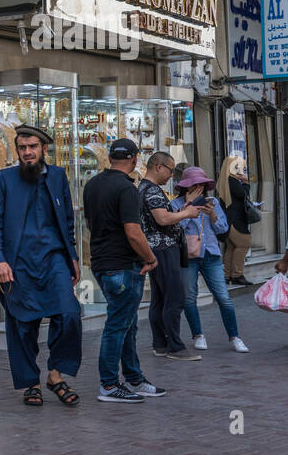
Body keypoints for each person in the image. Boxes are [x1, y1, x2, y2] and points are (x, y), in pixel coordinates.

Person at [0, 124, 82, 407]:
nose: (27, 152)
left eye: (33, 147)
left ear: (44, 149)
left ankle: (55, 374)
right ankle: (31, 383)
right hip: (18, 264)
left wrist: (73, 256)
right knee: (22, 325)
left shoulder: (58, 177)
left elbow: (67, 220)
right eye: (22, 148)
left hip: (54, 261)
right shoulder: (5, 180)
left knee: (69, 314)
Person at [82, 138, 162, 403]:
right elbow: (134, 232)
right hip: (123, 266)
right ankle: (108, 384)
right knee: (118, 326)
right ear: (134, 159)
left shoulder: (92, 184)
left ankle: (134, 378)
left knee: (127, 325)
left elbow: (90, 222)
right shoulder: (127, 189)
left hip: (103, 263)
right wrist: (150, 258)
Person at [170, 166, 249, 353]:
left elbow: (222, 229)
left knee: (223, 297)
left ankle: (235, 337)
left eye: (201, 185)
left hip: (211, 255)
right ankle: (198, 335)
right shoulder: (175, 205)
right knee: (189, 298)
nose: (198, 189)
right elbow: (175, 230)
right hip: (188, 256)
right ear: (185, 187)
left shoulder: (212, 202)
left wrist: (212, 215)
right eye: (193, 185)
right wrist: (187, 208)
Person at [138, 153, 202, 360]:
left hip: (156, 249)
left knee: (160, 299)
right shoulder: (153, 190)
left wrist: (183, 209)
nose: (171, 175)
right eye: (170, 169)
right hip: (163, 249)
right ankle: (175, 346)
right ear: (158, 167)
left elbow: (160, 219)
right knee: (174, 297)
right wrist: (187, 214)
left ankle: (161, 344)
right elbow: (163, 218)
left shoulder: (143, 188)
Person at [217, 156, 253, 285]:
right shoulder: (232, 180)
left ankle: (227, 275)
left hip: (228, 218)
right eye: (237, 166)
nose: (241, 170)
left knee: (231, 247)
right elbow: (243, 195)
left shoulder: (224, 180)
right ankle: (237, 274)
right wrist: (246, 183)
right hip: (235, 219)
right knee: (244, 243)